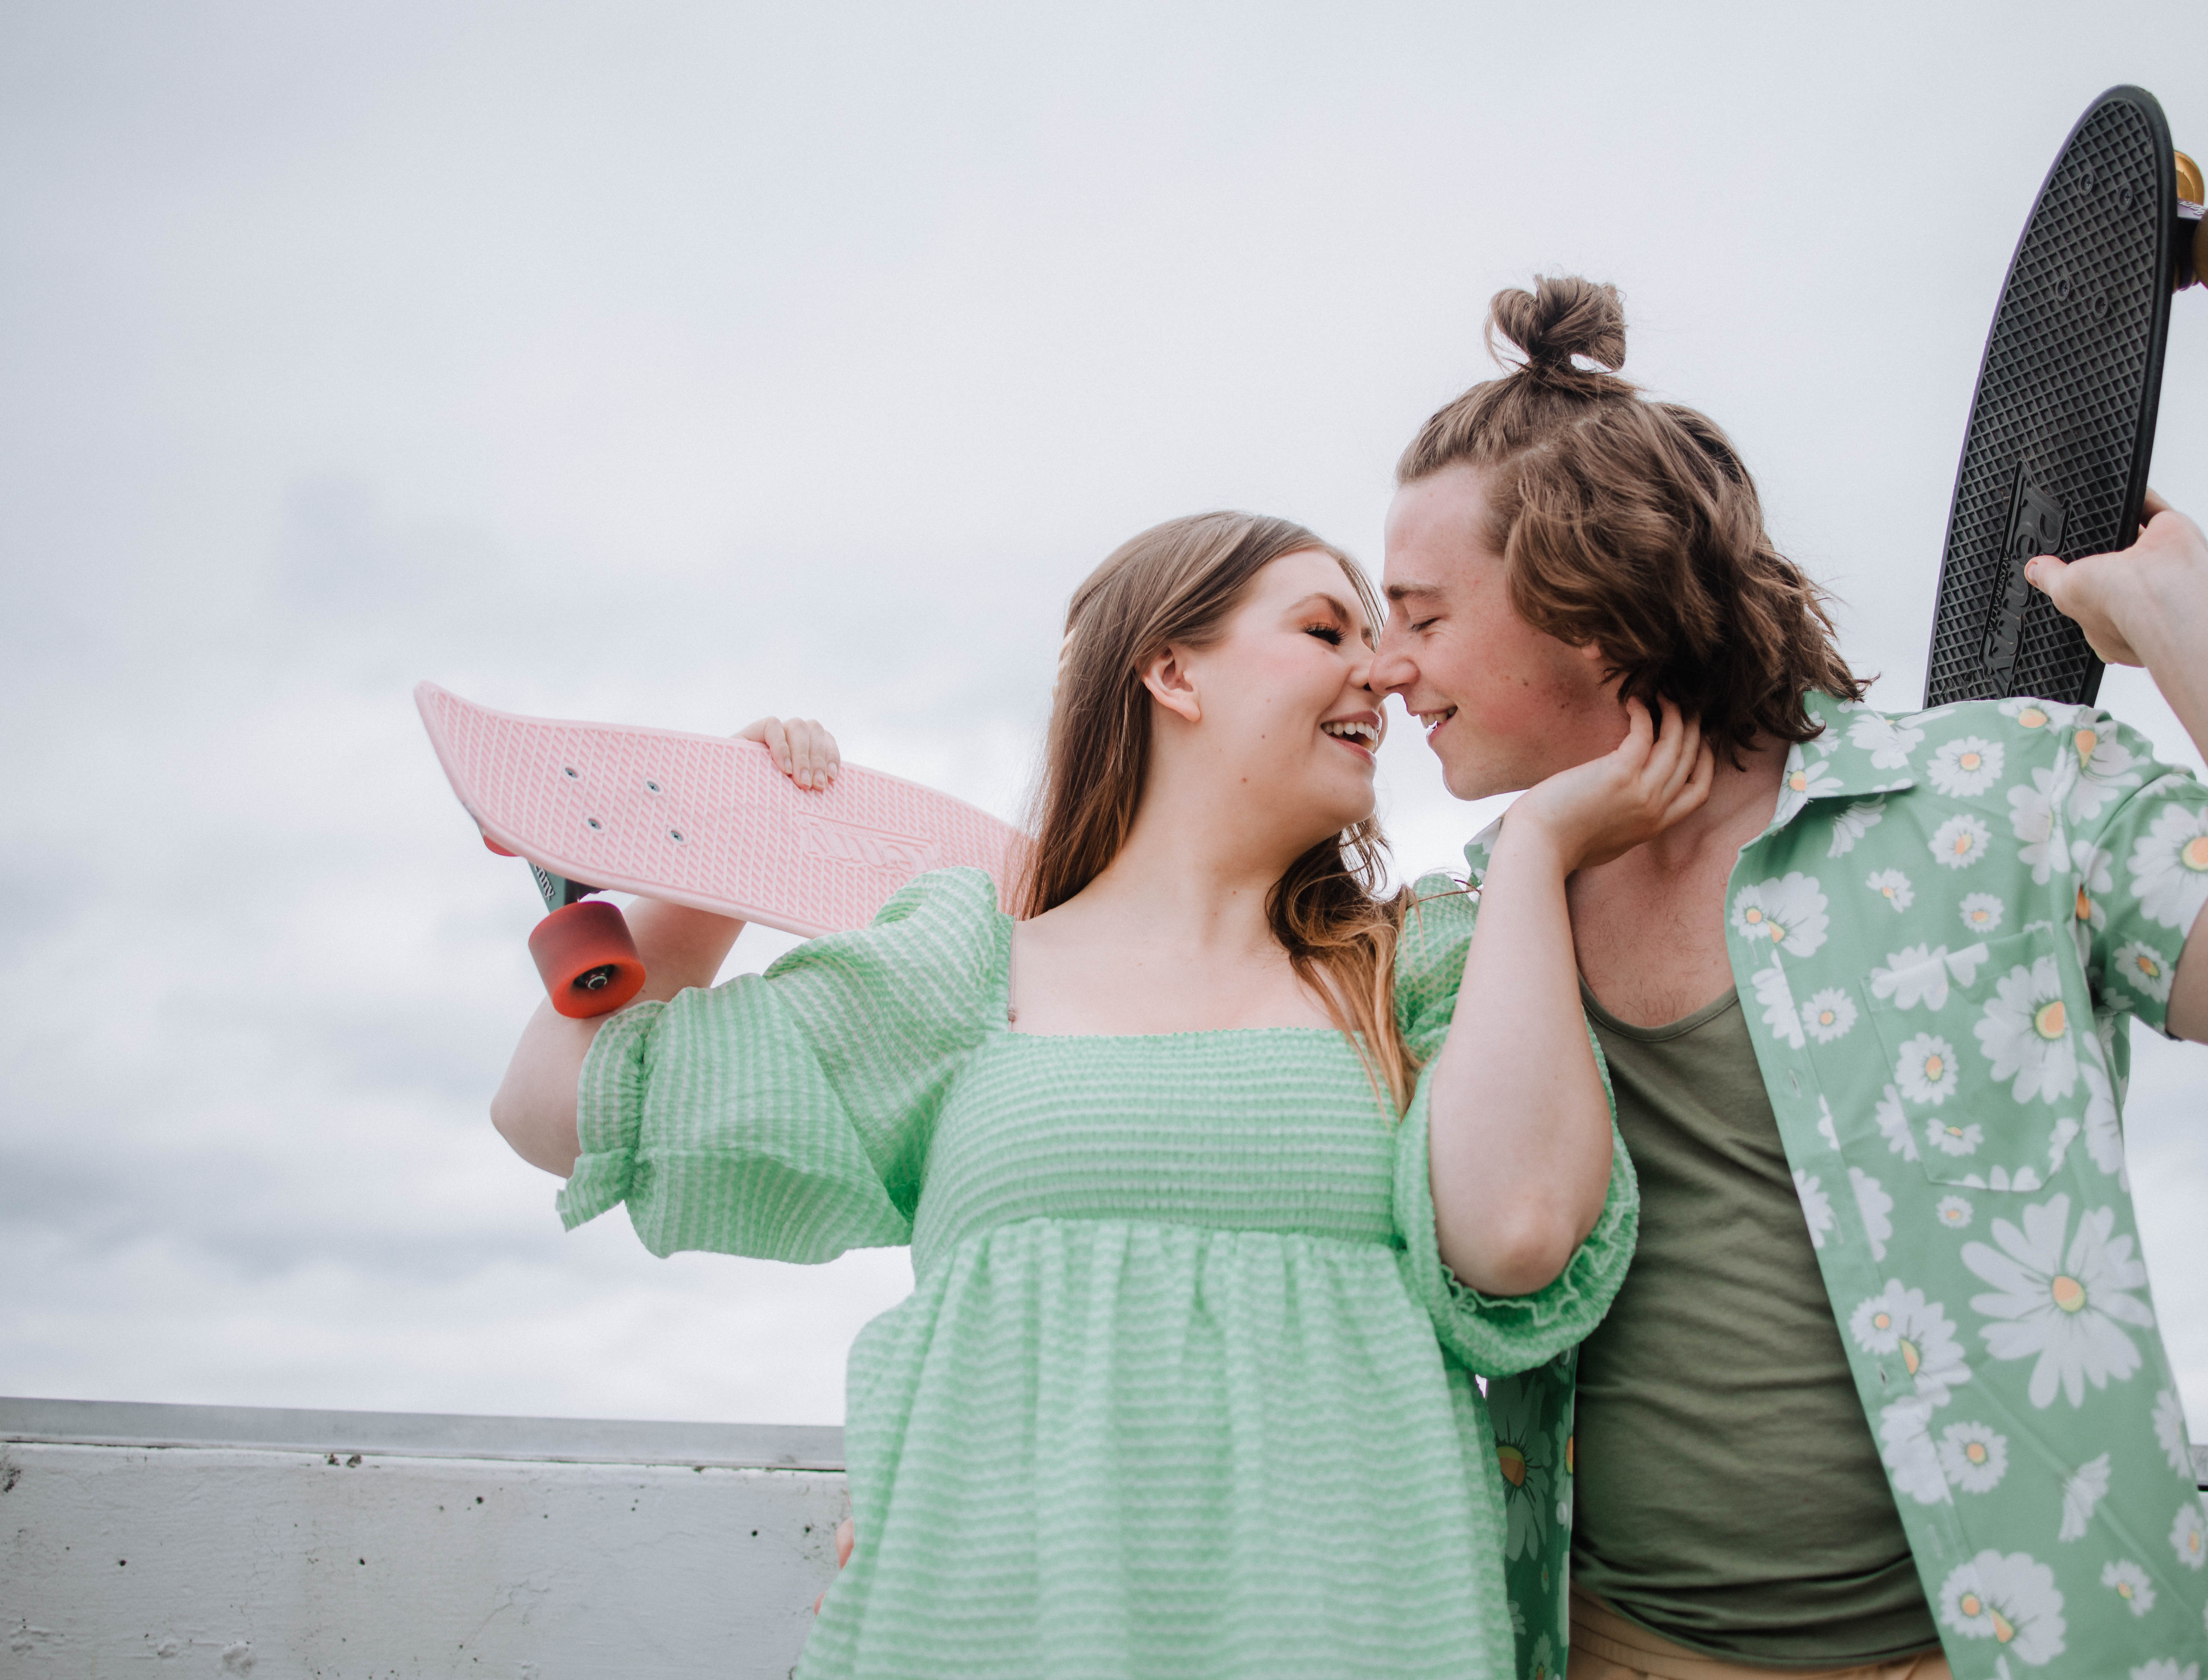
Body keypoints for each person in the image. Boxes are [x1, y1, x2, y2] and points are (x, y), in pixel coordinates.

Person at [1366, 278, 2208, 1680]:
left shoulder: (2003, 800)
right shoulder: (1478, 921)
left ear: (1587, 608)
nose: (1388, 666)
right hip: (1607, 1649)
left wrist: (2183, 616)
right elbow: (1493, 1243)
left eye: (1421, 617)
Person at [487, 511, 1709, 1678]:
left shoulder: (1426, 965)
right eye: (1325, 631)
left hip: (1355, 1640)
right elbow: (551, 1110)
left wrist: (1538, 849)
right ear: (1173, 672)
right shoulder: (964, 967)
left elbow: (1516, 1235)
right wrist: (711, 847)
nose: (1384, 675)